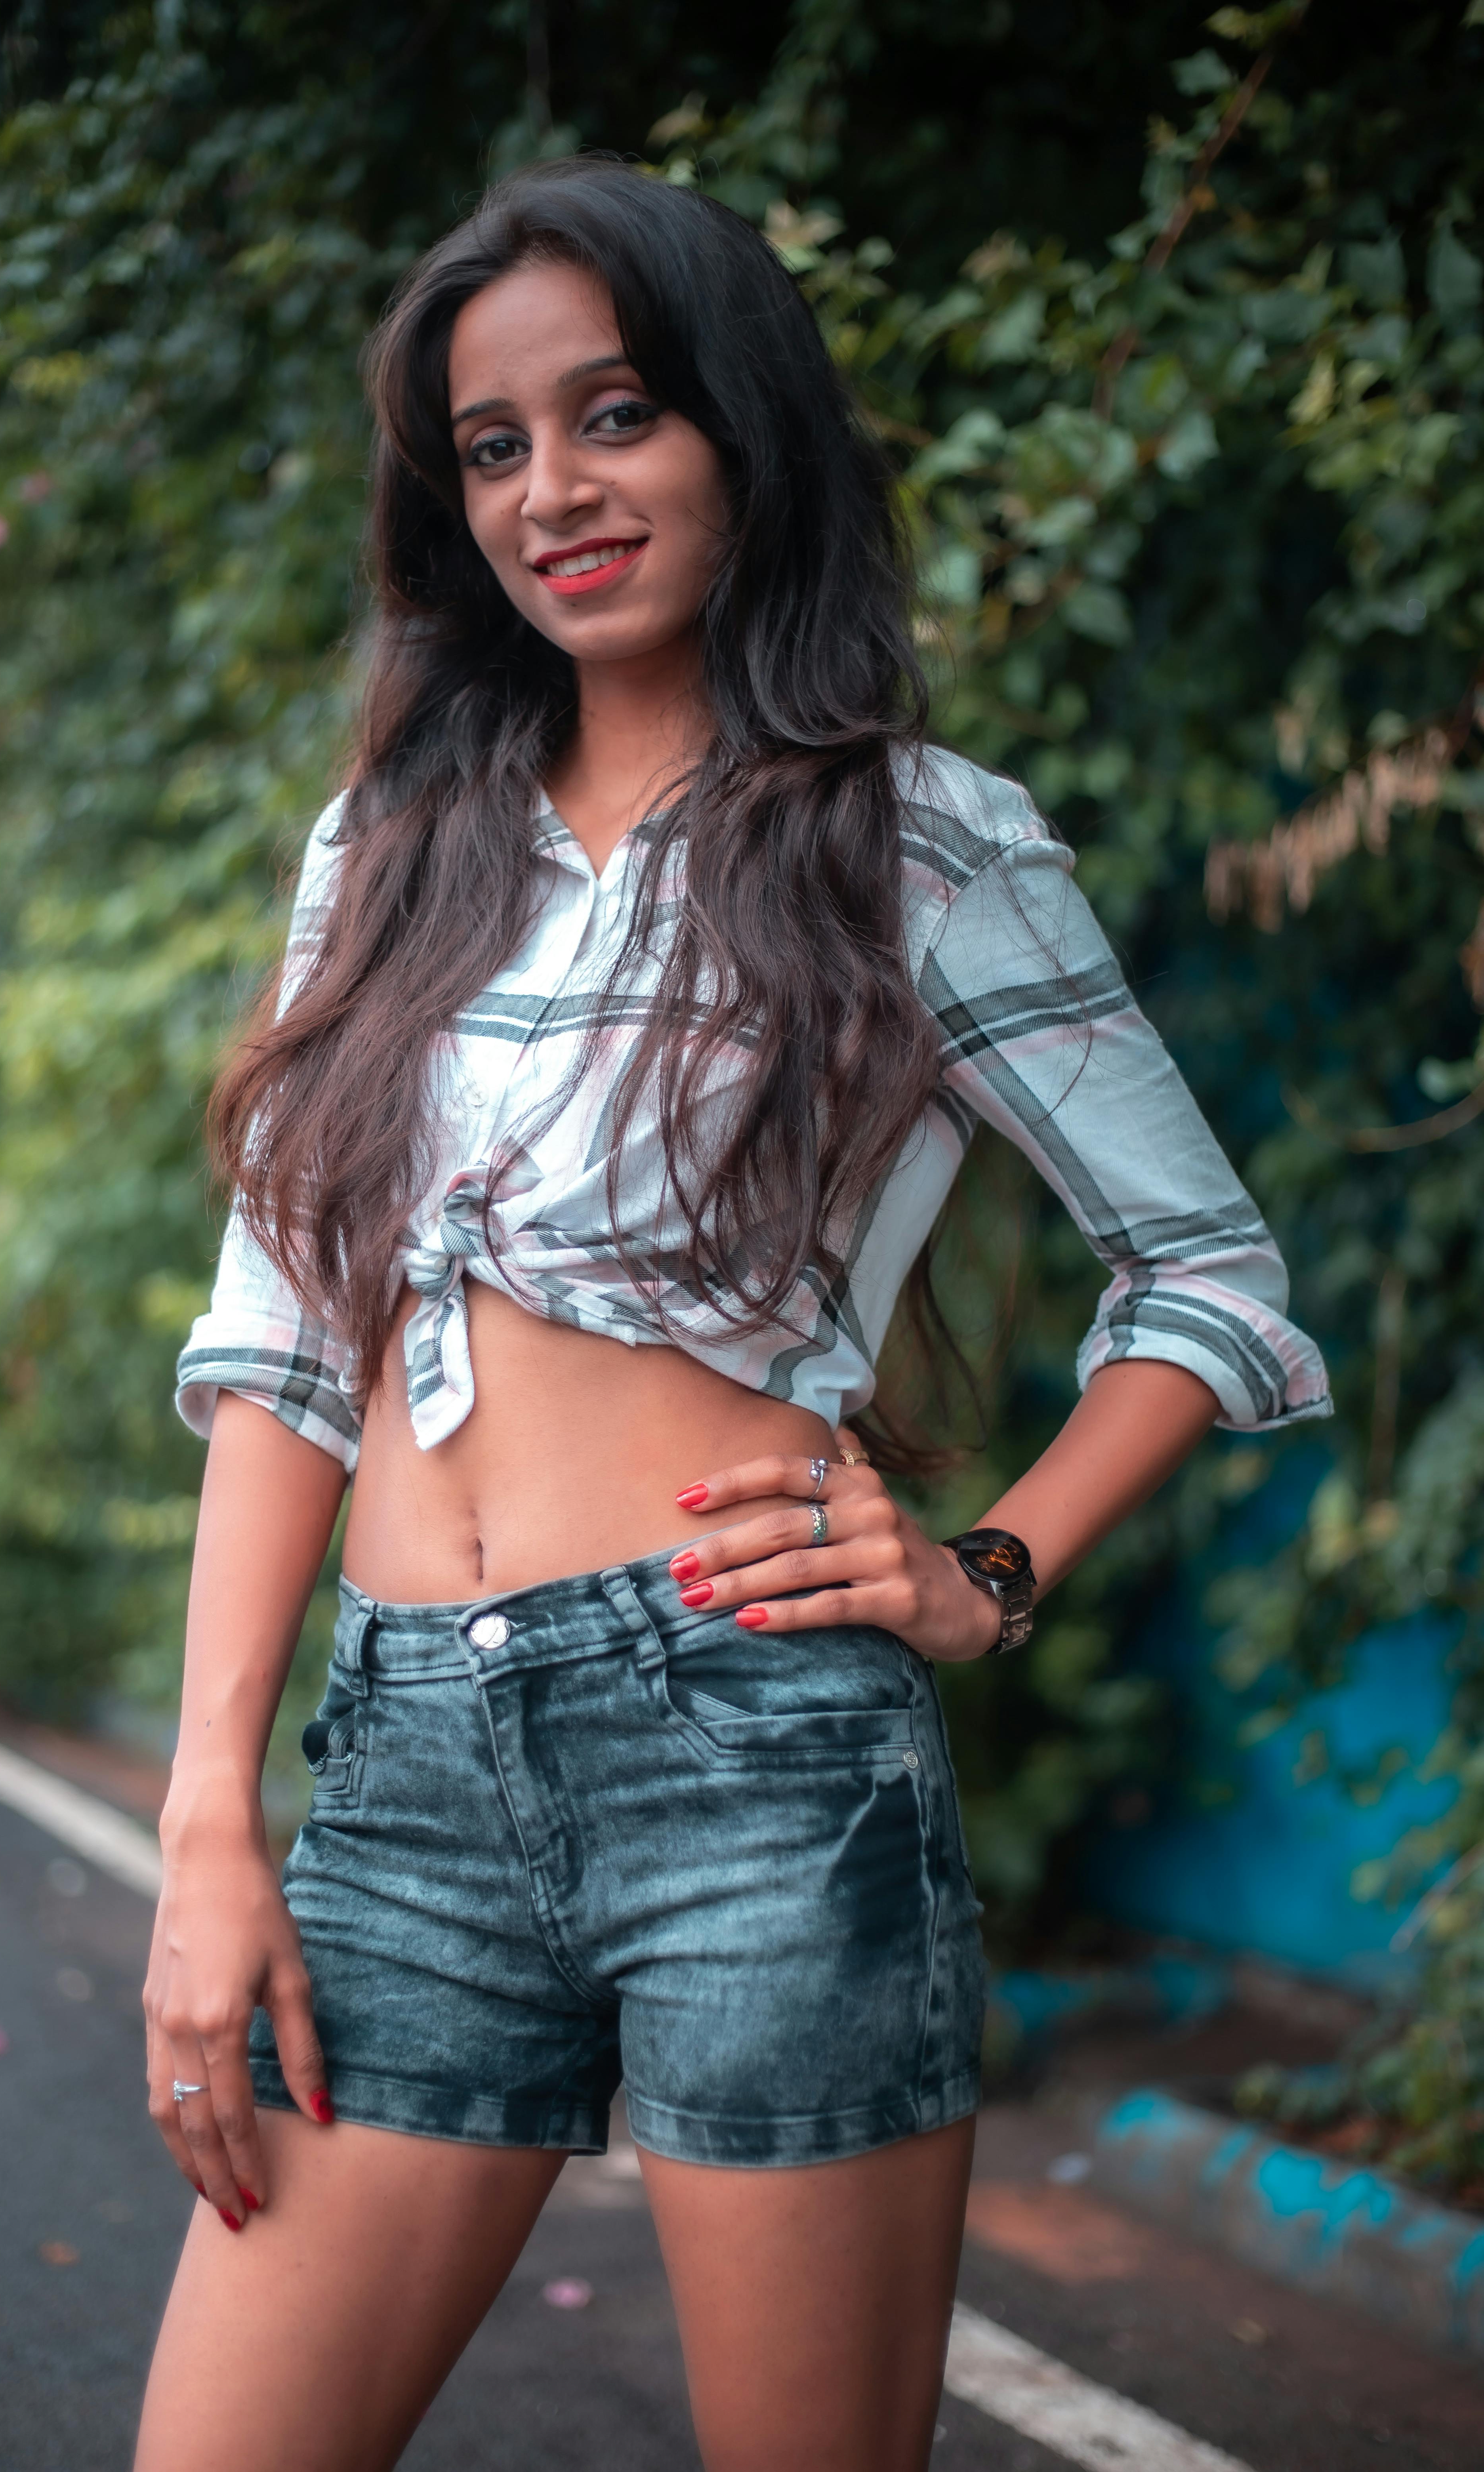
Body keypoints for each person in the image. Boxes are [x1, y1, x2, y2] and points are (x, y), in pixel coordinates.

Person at [134, 158, 1330, 2472]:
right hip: (405, 1779)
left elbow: (1204, 1270)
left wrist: (986, 1574)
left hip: (754, 1757)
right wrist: (209, 1818)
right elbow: (284, 1342)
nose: (553, 494)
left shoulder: (914, 840)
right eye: (494, 447)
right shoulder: (385, 852)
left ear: (742, 433)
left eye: (618, 416)